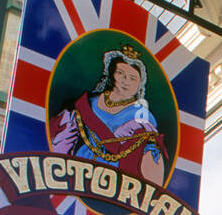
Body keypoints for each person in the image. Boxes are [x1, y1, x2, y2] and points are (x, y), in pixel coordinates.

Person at [49, 44, 168, 185]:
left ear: (139, 85)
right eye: (120, 73)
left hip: (115, 179)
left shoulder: (143, 116)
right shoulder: (89, 102)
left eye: (132, 78)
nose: (126, 81)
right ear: (111, 74)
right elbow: (63, 139)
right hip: (79, 168)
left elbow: (150, 154)